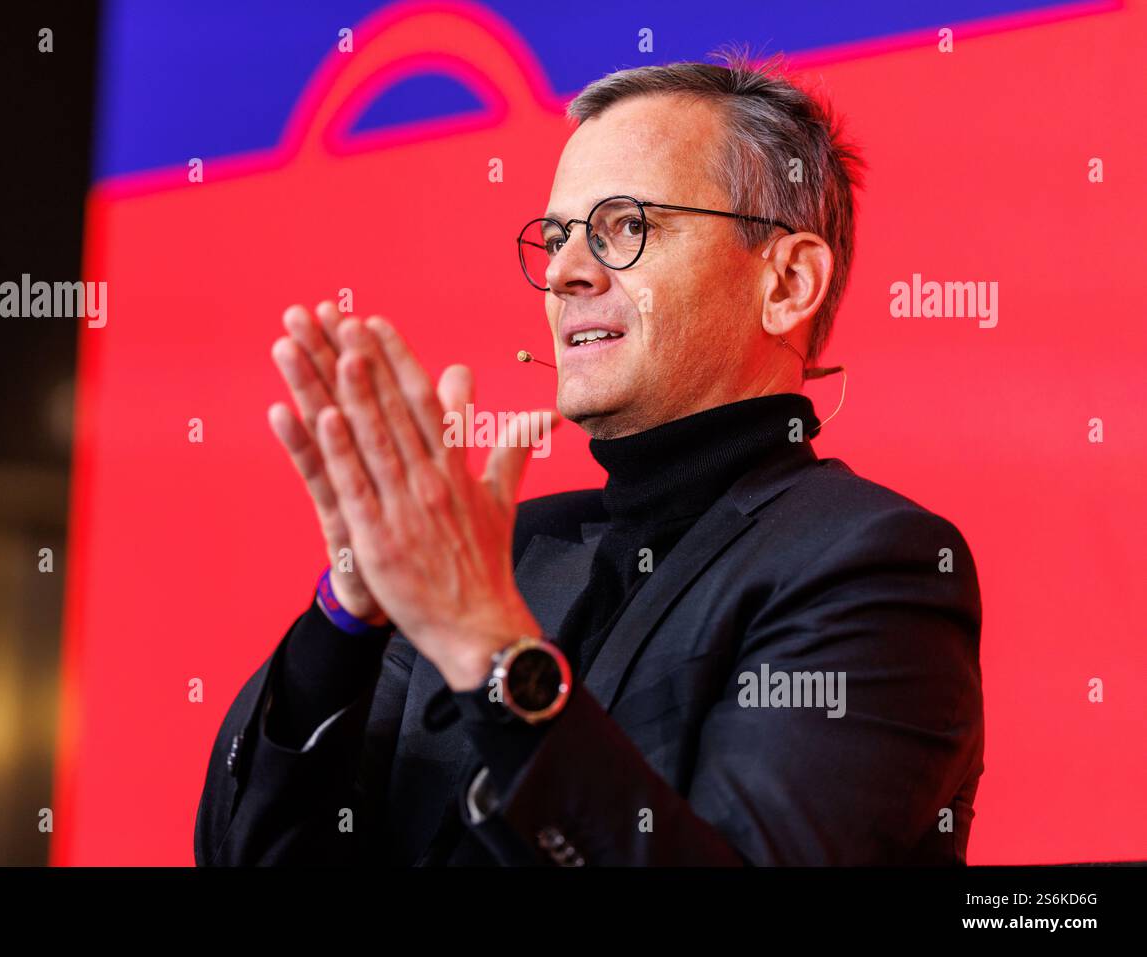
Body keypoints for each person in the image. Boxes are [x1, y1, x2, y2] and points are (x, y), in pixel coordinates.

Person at [194, 52, 983, 866]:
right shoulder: (506, 552)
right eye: (559, 237)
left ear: (786, 282)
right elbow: (240, 853)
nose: (565, 273)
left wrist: (489, 651)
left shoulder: (876, 567)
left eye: (626, 227)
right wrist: (349, 611)